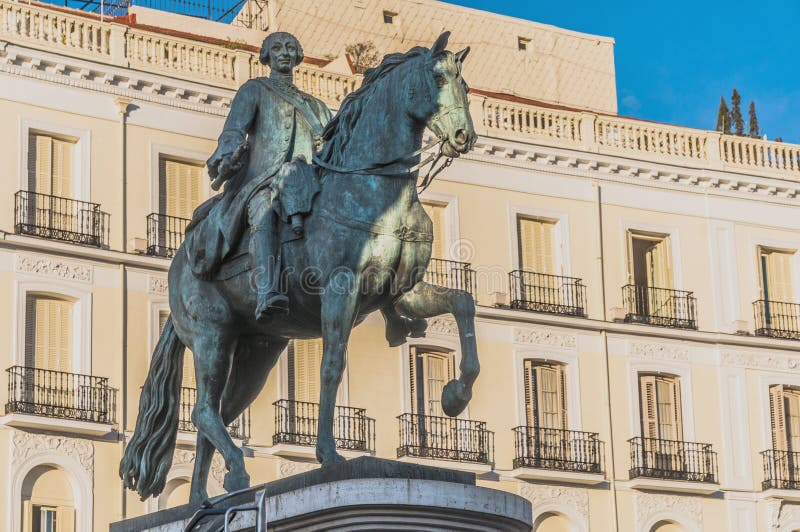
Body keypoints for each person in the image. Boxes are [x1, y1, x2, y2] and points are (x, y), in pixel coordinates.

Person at [184, 32, 331, 321]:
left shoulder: (316, 107)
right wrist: (227, 155)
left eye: (290, 48)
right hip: (264, 178)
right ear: (267, 57)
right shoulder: (254, 90)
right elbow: (234, 131)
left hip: (309, 180)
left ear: (298, 55)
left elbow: (329, 144)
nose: (284, 53)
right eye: (277, 48)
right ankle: (267, 289)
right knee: (264, 208)